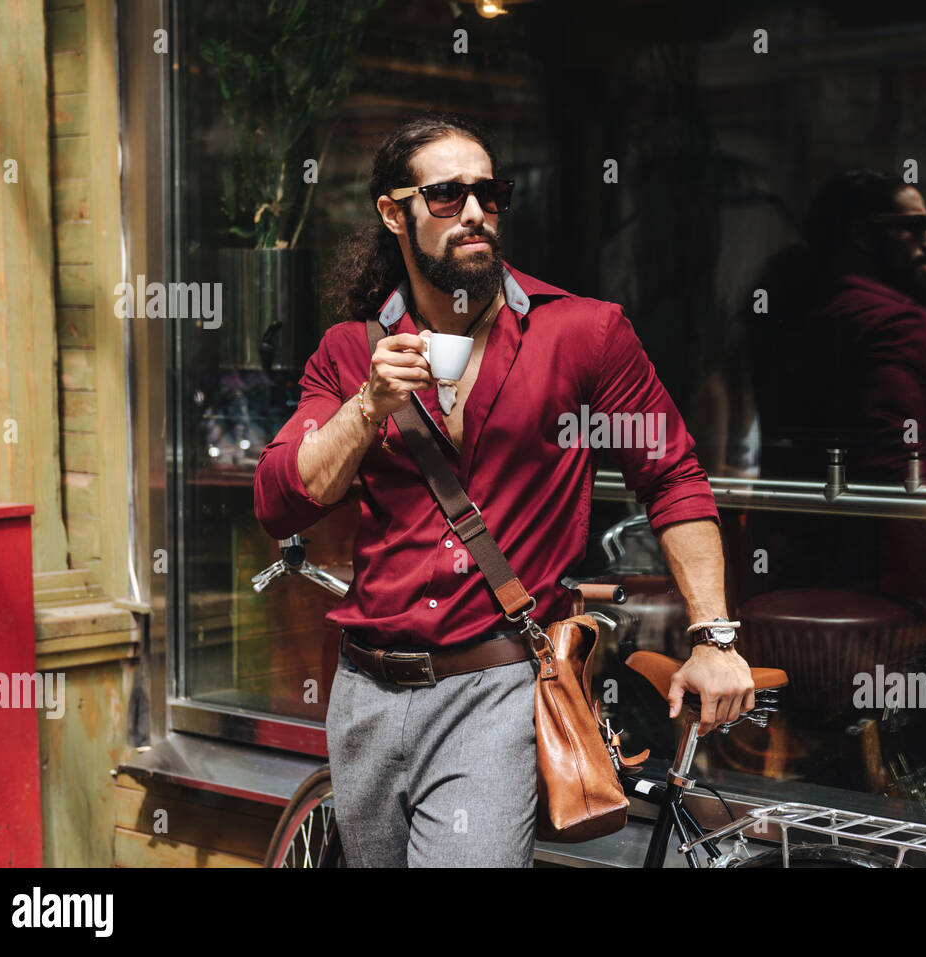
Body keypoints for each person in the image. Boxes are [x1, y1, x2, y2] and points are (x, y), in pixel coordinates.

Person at [253, 112, 754, 867]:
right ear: (395, 212)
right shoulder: (352, 350)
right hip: (363, 693)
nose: (477, 212)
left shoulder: (584, 335)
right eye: (448, 195)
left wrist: (714, 635)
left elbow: (673, 476)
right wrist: (367, 405)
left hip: (496, 685)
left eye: (489, 193)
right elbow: (282, 500)